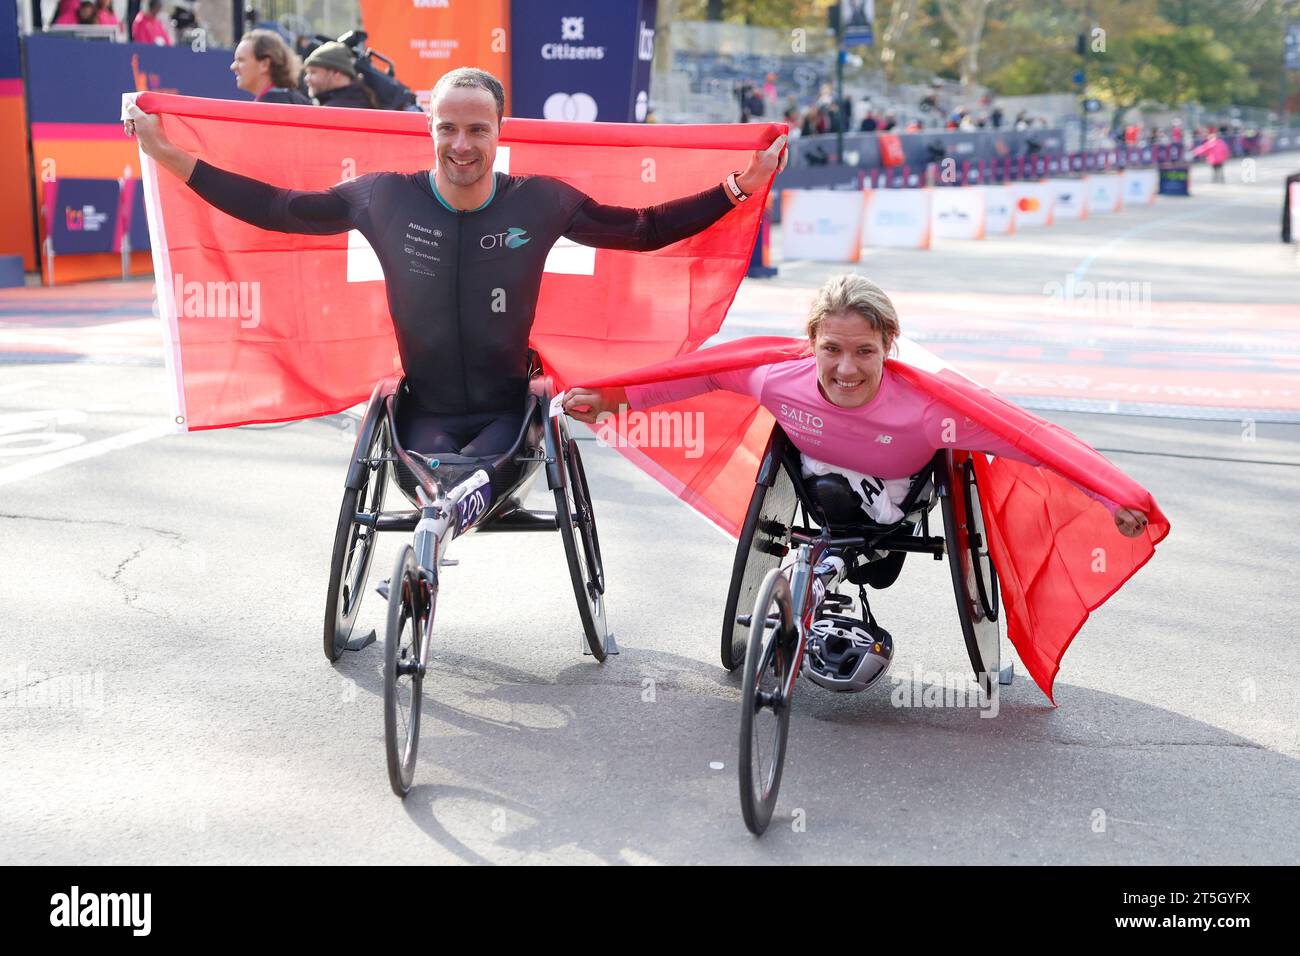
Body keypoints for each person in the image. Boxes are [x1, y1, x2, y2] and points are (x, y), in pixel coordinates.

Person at [125, 67, 787, 457]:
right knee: (437, 482)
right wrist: (169, 155)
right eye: (448, 128)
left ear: (501, 133)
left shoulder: (542, 202)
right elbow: (277, 208)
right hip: (421, 411)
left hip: (509, 412)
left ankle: (431, 546)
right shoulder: (382, 197)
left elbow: (642, 230)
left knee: (470, 481)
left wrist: (738, 188)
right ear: (428, 128)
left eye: (477, 129)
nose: (462, 144)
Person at [564, 273, 1149, 541]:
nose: (846, 369)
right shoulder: (776, 378)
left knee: (871, 507)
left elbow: (1031, 442)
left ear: (887, 347)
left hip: (900, 487)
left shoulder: (927, 410)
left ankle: (871, 510)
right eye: (832, 350)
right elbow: (694, 376)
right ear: (812, 342)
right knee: (822, 486)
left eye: (865, 351)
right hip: (814, 473)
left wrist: (1114, 499)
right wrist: (612, 398)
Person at [230, 29, 310, 105]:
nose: (233, 67)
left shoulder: (267, 108)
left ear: (264, 64)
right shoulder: (298, 100)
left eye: (241, 60)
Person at [303, 41, 377, 109]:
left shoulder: (335, 111)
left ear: (336, 73)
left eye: (313, 72)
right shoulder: (358, 98)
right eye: (307, 73)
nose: (306, 78)